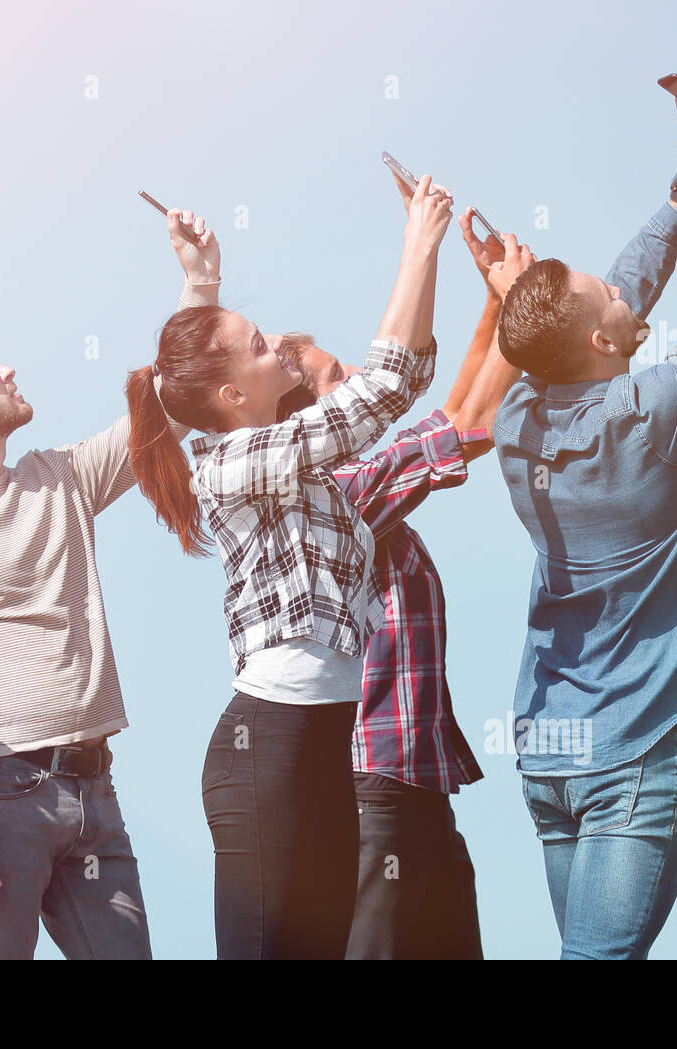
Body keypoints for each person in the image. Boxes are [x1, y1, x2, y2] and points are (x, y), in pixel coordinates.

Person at [125, 175, 453, 959]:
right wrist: (418, 242)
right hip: (262, 750)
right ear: (235, 390)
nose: (279, 346)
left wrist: (202, 277)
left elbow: (396, 386)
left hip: (325, 746)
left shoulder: (302, 470)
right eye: (260, 343)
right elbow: (384, 389)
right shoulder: (230, 461)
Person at [0, 247, 217, 959]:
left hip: (96, 791)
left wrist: (198, 285)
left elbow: (161, 415)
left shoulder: (62, 477)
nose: (12, 370)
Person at [492, 80, 677, 959]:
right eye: (607, 296)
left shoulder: (514, 423)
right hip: (633, 754)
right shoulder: (648, 417)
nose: (623, 292)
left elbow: (591, 317)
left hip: (550, 757)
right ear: (606, 344)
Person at [270, 205, 535, 959]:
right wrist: (525, 308)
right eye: (332, 376)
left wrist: (492, 298)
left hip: (418, 787)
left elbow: (453, 410)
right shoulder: (339, 493)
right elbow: (472, 425)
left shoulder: (372, 494)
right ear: (306, 412)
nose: (352, 376)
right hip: (371, 787)